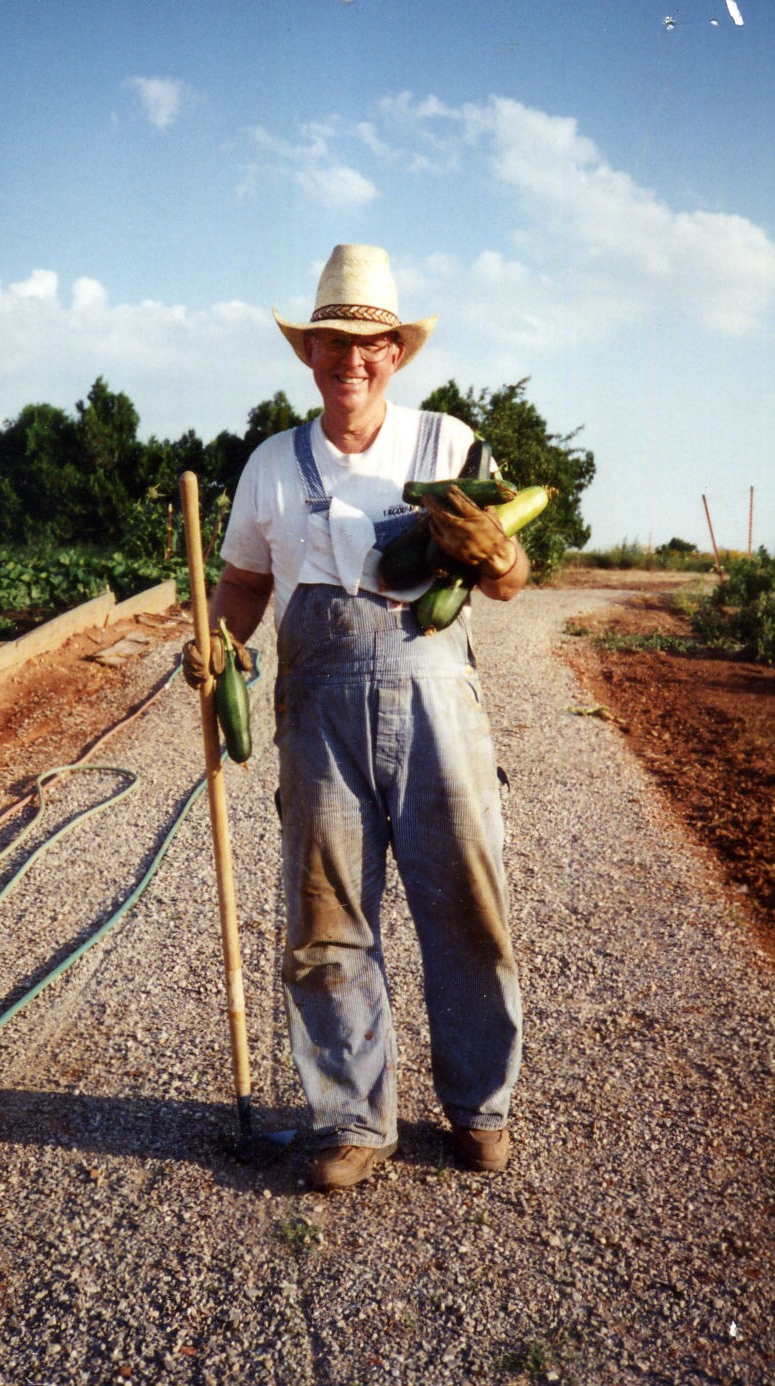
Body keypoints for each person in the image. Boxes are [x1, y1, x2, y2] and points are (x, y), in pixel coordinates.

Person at [184, 244, 528, 1191]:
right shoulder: (269, 466)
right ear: (308, 354)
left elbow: (511, 581)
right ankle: (351, 1120)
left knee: (464, 902)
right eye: (333, 342)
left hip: (435, 694)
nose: (353, 360)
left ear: (397, 353)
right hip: (315, 703)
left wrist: (496, 558)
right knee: (326, 917)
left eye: (371, 342)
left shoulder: (448, 447)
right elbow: (246, 582)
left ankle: (479, 1107)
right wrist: (215, 645)